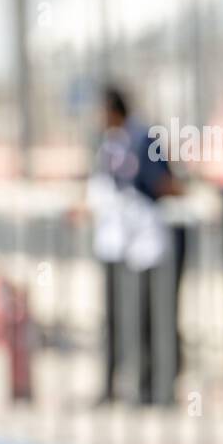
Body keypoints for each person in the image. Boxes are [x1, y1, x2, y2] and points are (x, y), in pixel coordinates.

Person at [87, 85, 183, 406]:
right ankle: (121, 384)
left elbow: (162, 182)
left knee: (152, 316)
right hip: (120, 242)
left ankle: (156, 388)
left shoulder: (144, 137)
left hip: (150, 242)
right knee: (120, 315)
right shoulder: (109, 142)